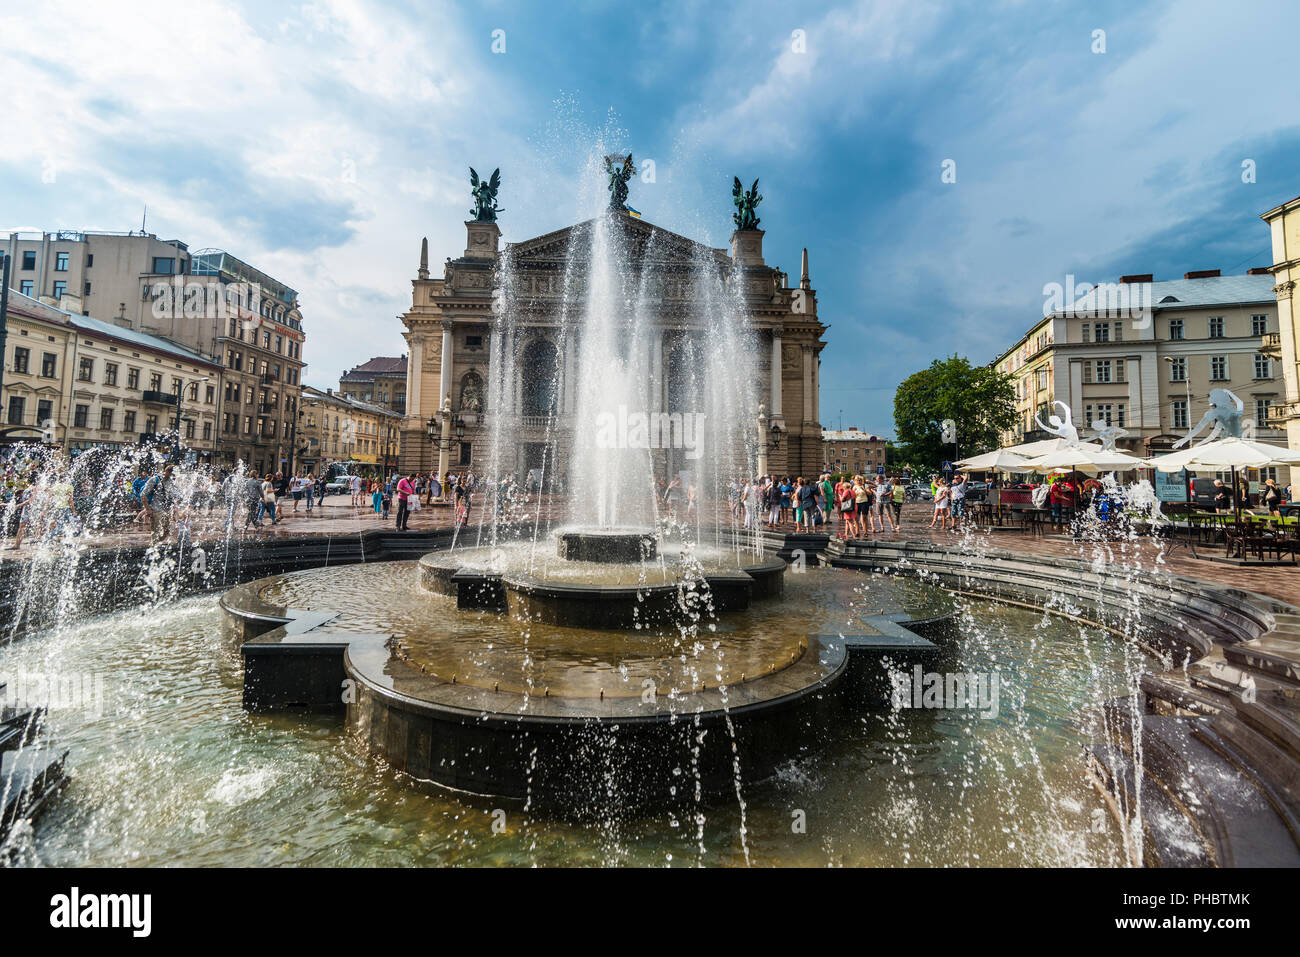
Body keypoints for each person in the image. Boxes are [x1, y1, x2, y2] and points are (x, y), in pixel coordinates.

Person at [141, 464, 176, 544]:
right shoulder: (154, 479)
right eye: (171, 474)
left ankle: (156, 543)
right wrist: (148, 509)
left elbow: (171, 496)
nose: (172, 476)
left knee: (167, 530)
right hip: (156, 509)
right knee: (156, 530)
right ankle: (154, 546)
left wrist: (174, 509)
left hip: (166, 509)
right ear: (166, 471)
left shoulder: (170, 481)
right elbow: (143, 494)